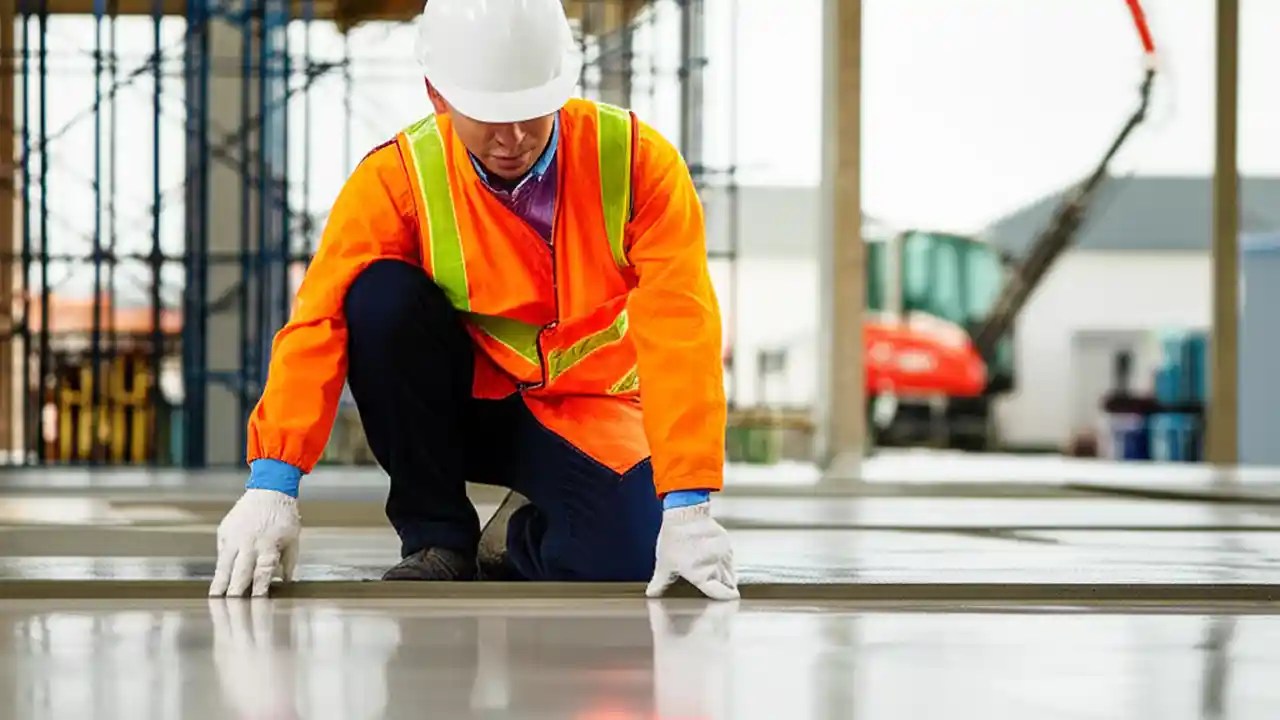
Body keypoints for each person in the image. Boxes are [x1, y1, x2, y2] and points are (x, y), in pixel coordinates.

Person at [208, 0, 738, 600]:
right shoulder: (397, 180)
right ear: (438, 95)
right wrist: (272, 485)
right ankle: (438, 538)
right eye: (489, 116)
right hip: (457, 410)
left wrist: (689, 503)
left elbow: (681, 324)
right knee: (377, 299)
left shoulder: (638, 163)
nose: (512, 138)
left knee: (629, 558)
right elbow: (317, 324)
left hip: (589, 414)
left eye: (531, 111)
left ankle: (513, 539)